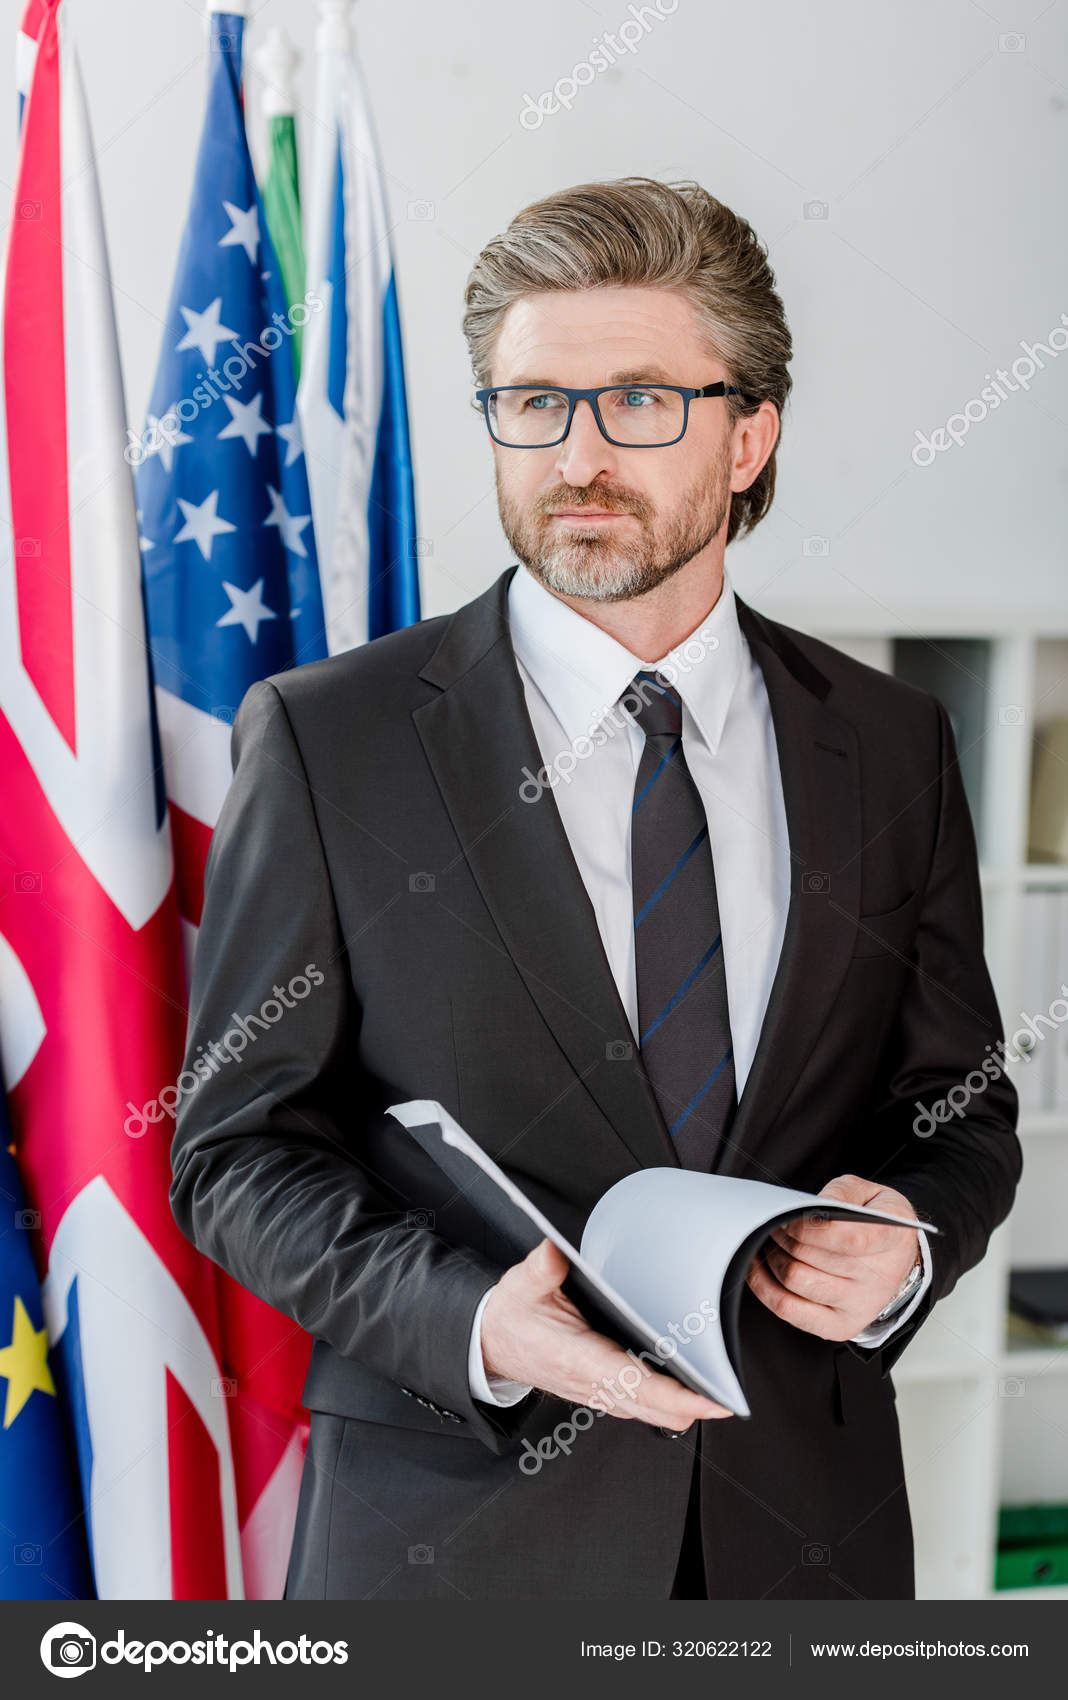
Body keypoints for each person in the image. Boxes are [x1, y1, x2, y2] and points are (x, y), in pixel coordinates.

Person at [170, 177, 1021, 1600]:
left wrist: (908, 1248)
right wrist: (477, 1323)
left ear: (752, 433)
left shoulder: (887, 743)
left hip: (805, 1540)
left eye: (639, 401)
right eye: (533, 403)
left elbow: (962, 1103)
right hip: (457, 1553)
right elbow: (235, 1153)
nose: (577, 455)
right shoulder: (335, 741)